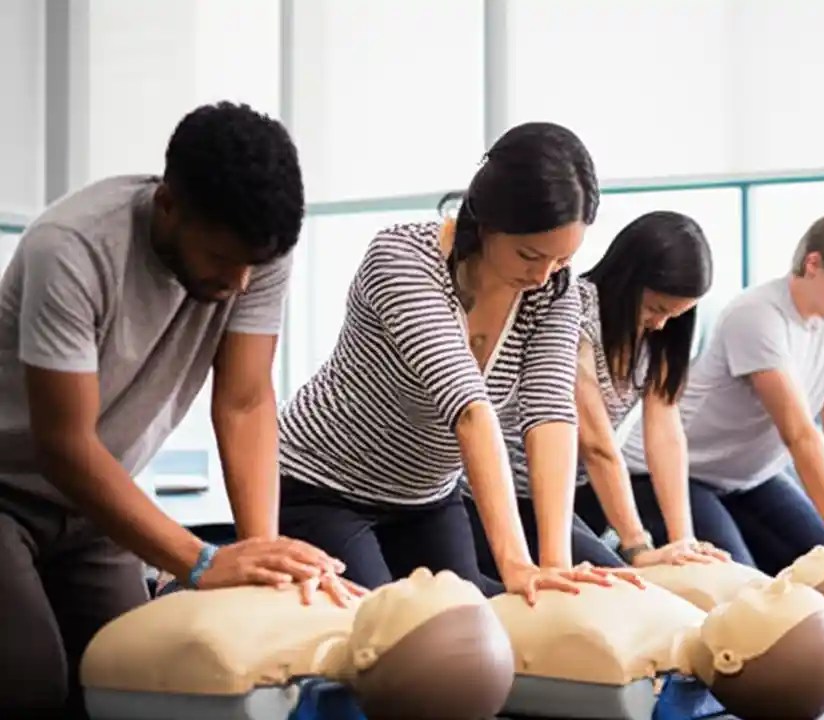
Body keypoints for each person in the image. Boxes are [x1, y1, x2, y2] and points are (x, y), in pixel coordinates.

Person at [0, 102, 353, 720]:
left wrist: (260, 553)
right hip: (11, 489)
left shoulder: (255, 247)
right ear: (169, 206)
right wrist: (201, 561)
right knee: (32, 683)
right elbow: (65, 445)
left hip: (93, 507)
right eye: (222, 260)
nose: (240, 282)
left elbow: (244, 401)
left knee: (144, 675)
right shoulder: (73, 249)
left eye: (254, 264)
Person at [276, 121, 637, 603]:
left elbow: (549, 413)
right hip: (322, 483)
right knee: (391, 626)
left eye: (561, 260)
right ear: (487, 221)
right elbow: (468, 408)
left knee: (473, 614)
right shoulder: (403, 259)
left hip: (426, 497)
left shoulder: (555, 288)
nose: (543, 274)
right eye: (530, 255)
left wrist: (552, 567)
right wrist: (514, 564)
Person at [620, 210, 824, 576]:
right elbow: (799, 432)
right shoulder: (757, 314)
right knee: (742, 587)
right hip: (675, 475)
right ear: (813, 264)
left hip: (750, 480)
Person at [467, 211, 731, 572]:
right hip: (505, 489)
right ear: (628, 281)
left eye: (674, 314)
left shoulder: (665, 334)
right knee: (615, 586)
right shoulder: (573, 309)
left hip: (575, 490)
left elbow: (666, 435)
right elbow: (595, 443)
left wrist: (682, 540)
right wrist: (638, 547)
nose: (660, 323)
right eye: (655, 308)